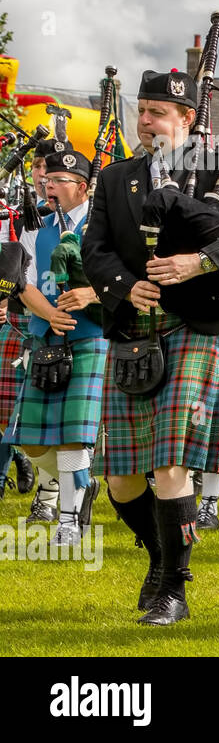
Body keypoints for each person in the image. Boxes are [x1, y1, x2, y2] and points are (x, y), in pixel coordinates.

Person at [84, 68, 219, 624]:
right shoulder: (117, 177)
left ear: (187, 120)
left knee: (170, 464)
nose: (145, 122)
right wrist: (126, 287)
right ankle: (160, 555)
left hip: (193, 329)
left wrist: (201, 261)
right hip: (133, 333)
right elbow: (94, 248)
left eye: (158, 113)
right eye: (140, 111)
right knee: (121, 479)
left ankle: (174, 588)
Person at [5, 148, 103, 543]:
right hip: (43, 335)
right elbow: (20, 282)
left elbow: (125, 278)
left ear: (81, 187)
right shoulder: (35, 228)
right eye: (46, 181)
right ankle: (80, 481)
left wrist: (90, 295)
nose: (49, 186)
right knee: (29, 440)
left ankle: (67, 521)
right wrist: (49, 314)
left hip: (90, 336)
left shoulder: (102, 228)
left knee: (72, 436)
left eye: (59, 181)